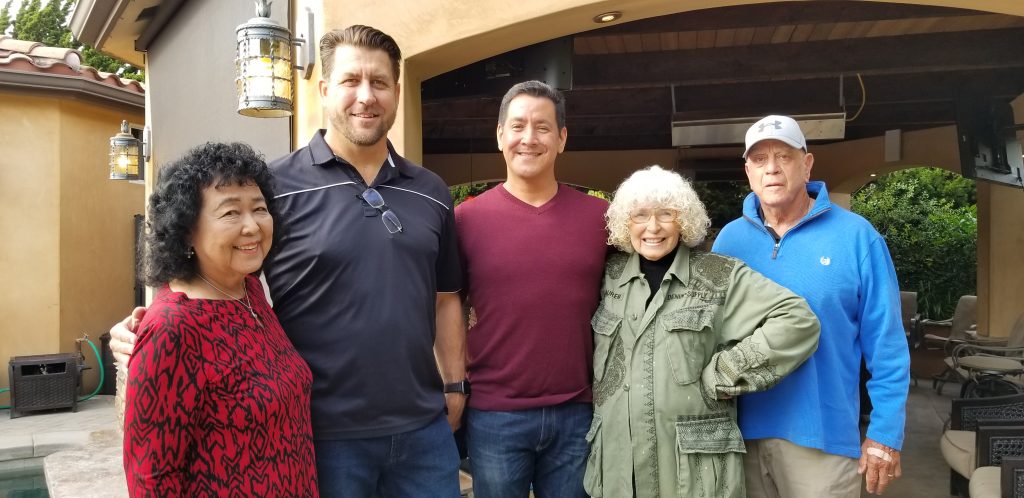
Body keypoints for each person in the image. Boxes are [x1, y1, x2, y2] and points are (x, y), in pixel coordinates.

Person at [112, 25, 466, 497]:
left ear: (397, 92)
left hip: (424, 430)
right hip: (320, 437)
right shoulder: (270, 190)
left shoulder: (431, 192)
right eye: (350, 81)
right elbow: (210, 275)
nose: (366, 96)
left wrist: (455, 385)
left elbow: (445, 300)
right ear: (323, 90)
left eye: (380, 82)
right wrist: (143, 324)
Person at [583, 165, 820, 498]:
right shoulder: (607, 276)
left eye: (666, 214)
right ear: (626, 222)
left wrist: (728, 371)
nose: (653, 227)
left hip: (692, 478)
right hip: (617, 473)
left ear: (684, 220)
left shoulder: (718, 277)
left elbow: (797, 319)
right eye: (640, 216)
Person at [712, 115, 910, 497]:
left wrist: (885, 433)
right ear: (748, 171)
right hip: (738, 435)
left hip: (823, 438)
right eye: (760, 159)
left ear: (807, 164)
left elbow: (886, 345)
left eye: (784, 156)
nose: (772, 168)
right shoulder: (729, 241)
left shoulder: (856, 237)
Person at [122, 142, 317, 496]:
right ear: (186, 230)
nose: (252, 227)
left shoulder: (249, 292)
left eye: (259, 209)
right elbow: (152, 478)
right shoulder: (173, 328)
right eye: (230, 213)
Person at [454, 80, 608, 498]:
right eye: (518, 126)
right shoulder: (466, 220)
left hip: (579, 409)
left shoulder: (602, 218)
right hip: (495, 412)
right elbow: (447, 307)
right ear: (500, 134)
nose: (528, 138)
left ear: (561, 139)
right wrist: (452, 386)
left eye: (542, 127)